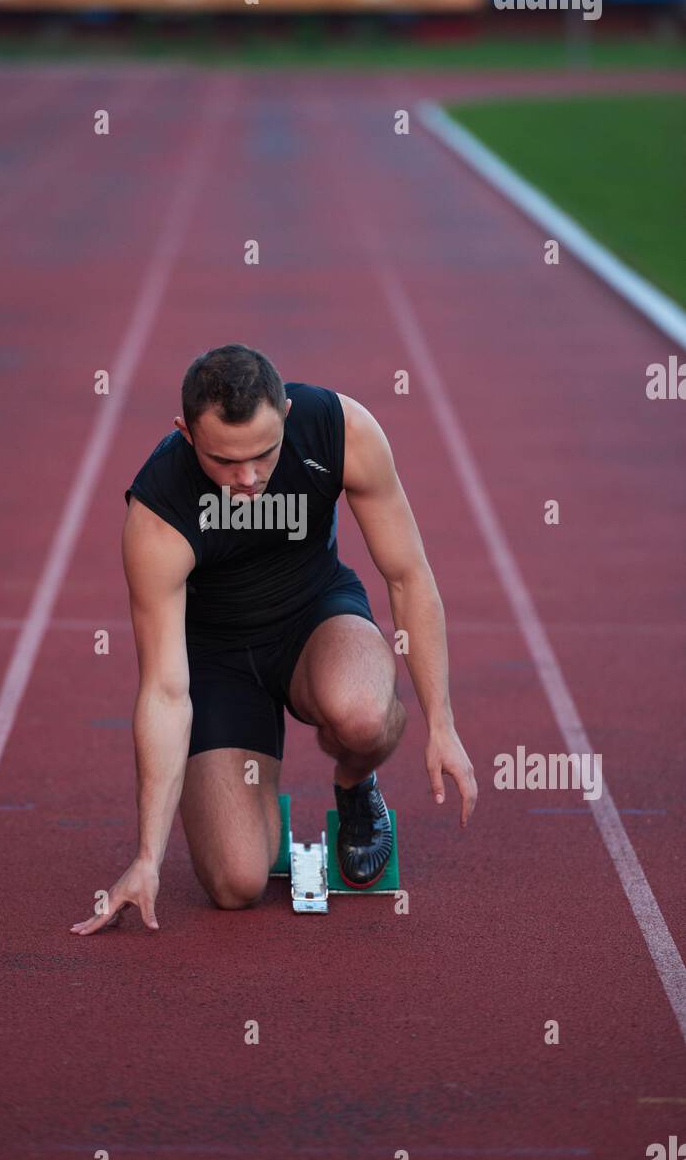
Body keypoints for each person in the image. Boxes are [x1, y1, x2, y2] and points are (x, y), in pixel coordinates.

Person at [71, 344, 477, 934]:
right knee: (238, 885)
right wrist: (146, 857)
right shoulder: (158, 511)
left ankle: (354, 782)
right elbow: (163, 688)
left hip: (316, 620)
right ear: (185, 434)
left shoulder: (340, 430)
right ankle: (252, 800)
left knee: (364, 715)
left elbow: (407, 574)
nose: (249, 478)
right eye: (225, 462)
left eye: (264, 454)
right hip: (217, 660)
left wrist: (442, 724)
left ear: (286, 414)